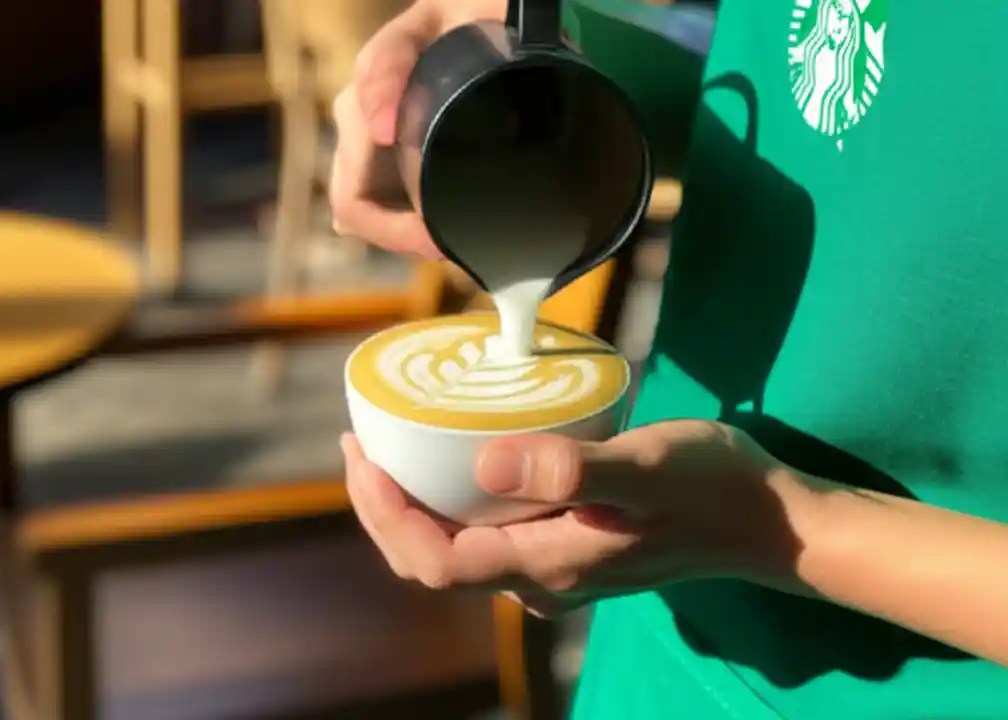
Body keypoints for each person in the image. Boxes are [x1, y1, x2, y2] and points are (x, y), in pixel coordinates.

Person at [330, 0, 1008, 718]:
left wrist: (776, 526)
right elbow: (827, 104)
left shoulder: (745, 529)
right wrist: (540, 81)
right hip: (650, 654)